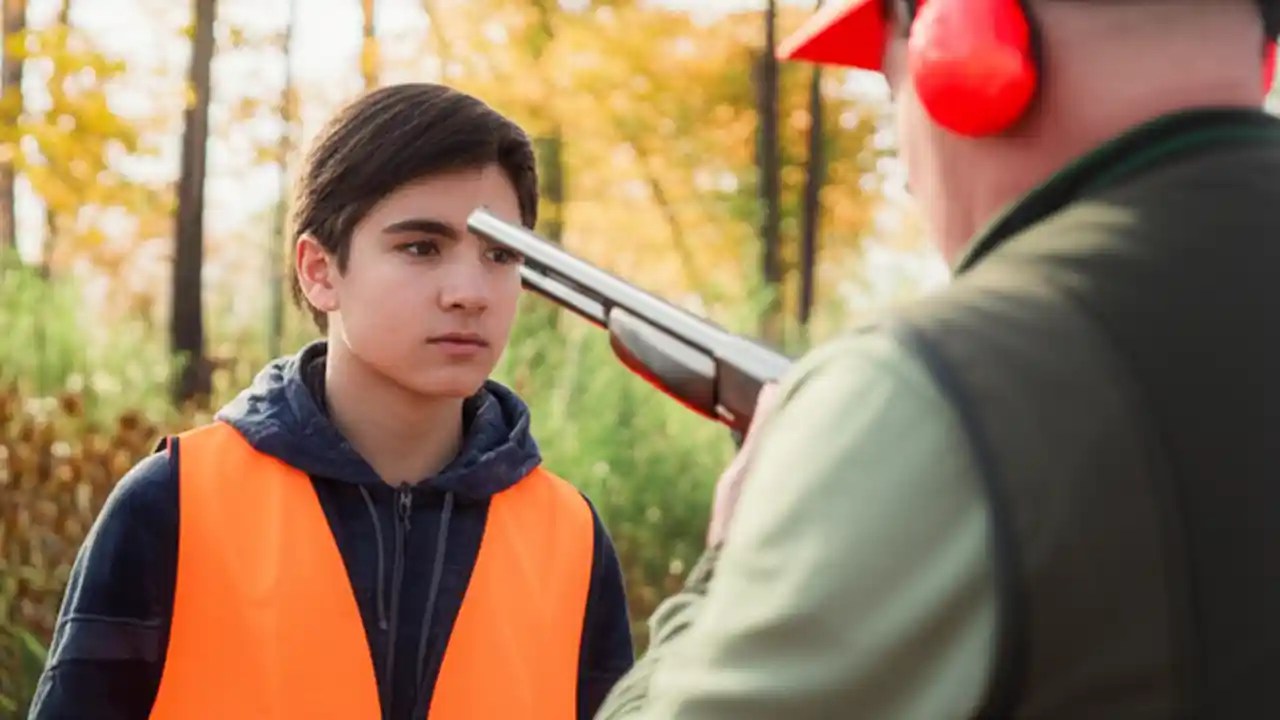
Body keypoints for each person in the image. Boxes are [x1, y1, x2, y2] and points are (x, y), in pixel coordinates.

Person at [597, 0, 1279, 717]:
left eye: (894, 85)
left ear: (970, 41)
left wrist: (727, 566)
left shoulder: (937, 391)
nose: (907, 178)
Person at [30, 83, 634, 720]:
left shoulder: (571, 539)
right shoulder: (173, 505)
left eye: (501, 255)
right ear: (320, 271)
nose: (470, 291)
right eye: (421, 248)